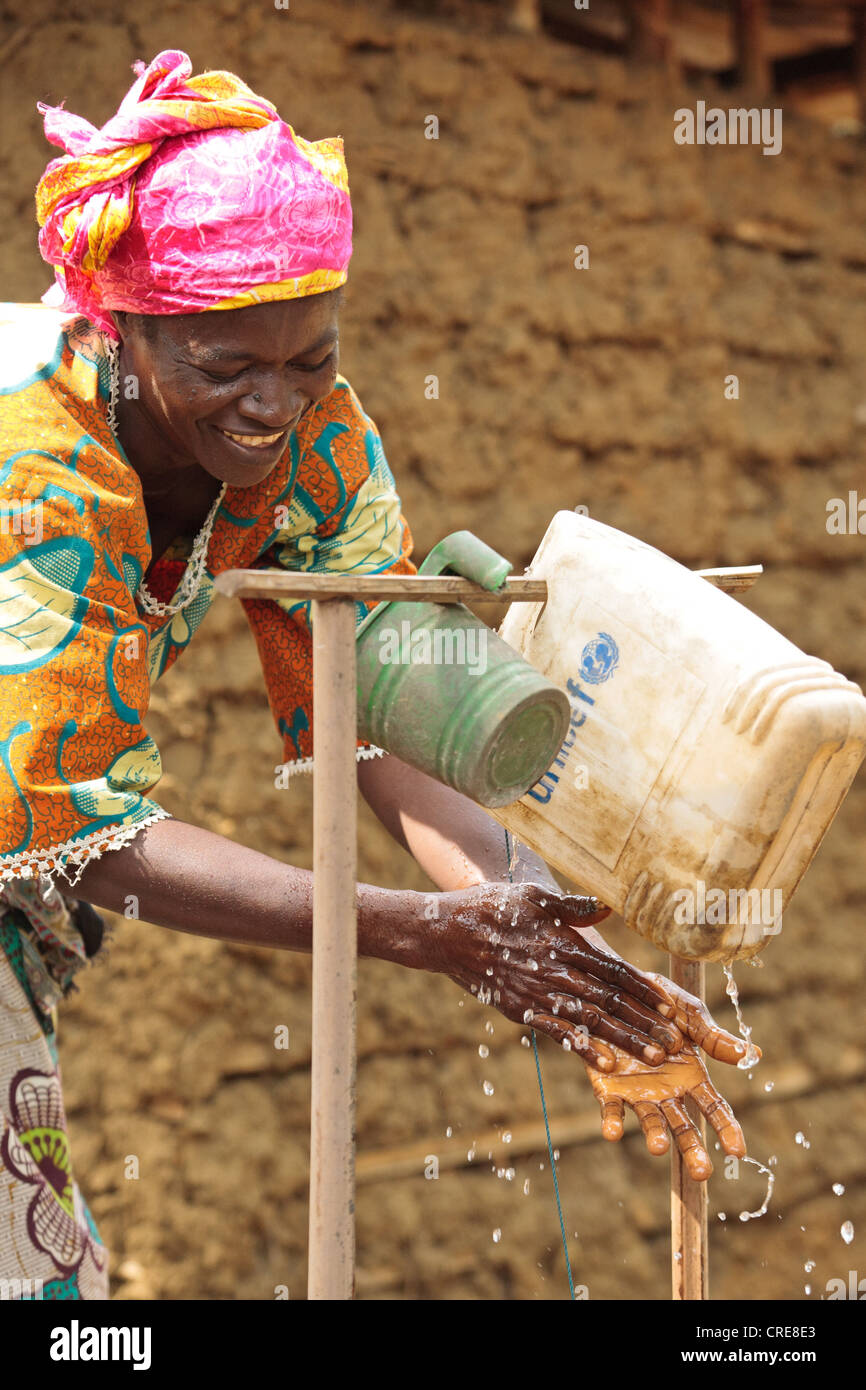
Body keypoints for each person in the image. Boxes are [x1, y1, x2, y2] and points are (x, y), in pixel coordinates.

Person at [0, 50, 748, 1300]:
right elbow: (68, 825)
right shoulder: (38, 464)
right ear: (121, 329)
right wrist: (425, 934)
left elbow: (375, 716)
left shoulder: (321, 439)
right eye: (224, 365)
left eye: (307, 357)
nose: (271, 407)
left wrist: (546, 940)